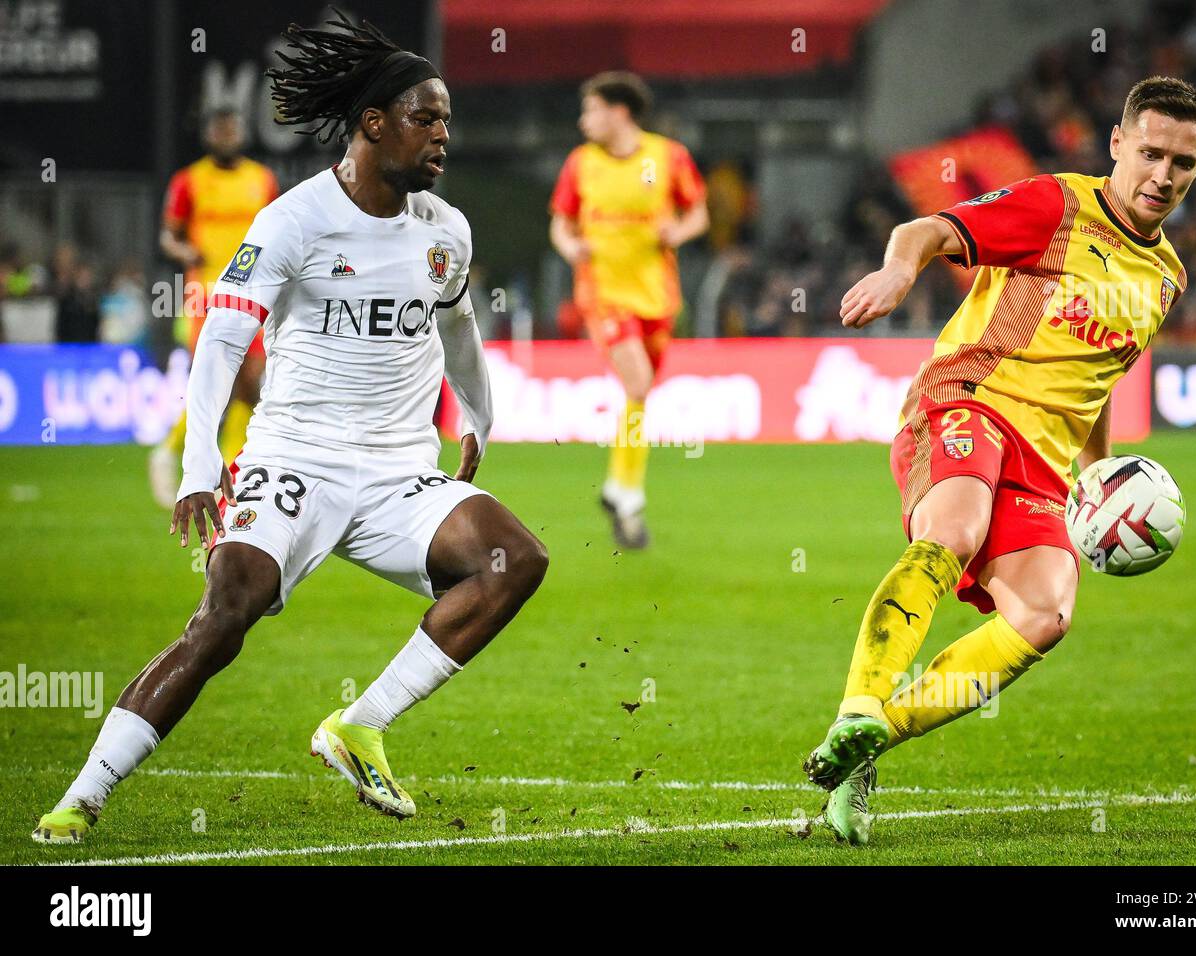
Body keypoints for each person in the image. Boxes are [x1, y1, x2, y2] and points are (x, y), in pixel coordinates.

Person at [32, 11, 547, 844]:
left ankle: (360, 724)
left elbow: (458, 331)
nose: (443, 134)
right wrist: (202, 466)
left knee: (512, 559)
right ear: (373, 125)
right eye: (427, 117)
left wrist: (480, 414)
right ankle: (83, 795)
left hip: (396, 472)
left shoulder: (444, 231)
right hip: (295, 457)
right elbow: (220, 344)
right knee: (227, 609)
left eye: (448, 117)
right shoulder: (292, 222)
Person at [803, 76, 1196, 844]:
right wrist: (900, 269)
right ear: (1118, 145)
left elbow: (1100, 379)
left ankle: (867, 743)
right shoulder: (1058, 207)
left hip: (1044, 463)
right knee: (953, 530)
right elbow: (929, 229)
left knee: (1045, 612)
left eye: (1182, 164)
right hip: (969, 400)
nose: (1163, 176)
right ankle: (858, 704)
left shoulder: (1165, 278)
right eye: (1150, 153)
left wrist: (1101, 472)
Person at [549, 72, 709, 548]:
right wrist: (570, 248)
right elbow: (560, 224)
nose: (584, 121)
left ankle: (622, 487)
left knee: (638, 397)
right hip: (603, 293)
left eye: (591, 110)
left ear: (619, 112)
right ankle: (630, 497)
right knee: (637, 382)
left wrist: (676, 234)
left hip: (658, 296)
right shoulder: (581, 164)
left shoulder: (667, 156)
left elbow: (697, 212)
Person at [148, 108, 279, 508]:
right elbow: (168, 236)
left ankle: (234, 468)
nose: (226, 136)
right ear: (208, 136)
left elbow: (279, 229)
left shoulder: (262, 179)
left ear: (241, 133)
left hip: (255, 290)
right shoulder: (190, 180)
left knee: (251, 386)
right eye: (219, 129)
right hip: (205, 294)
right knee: (214, 381)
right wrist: (186, 249)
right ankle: (169, 450)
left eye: (232, 128)